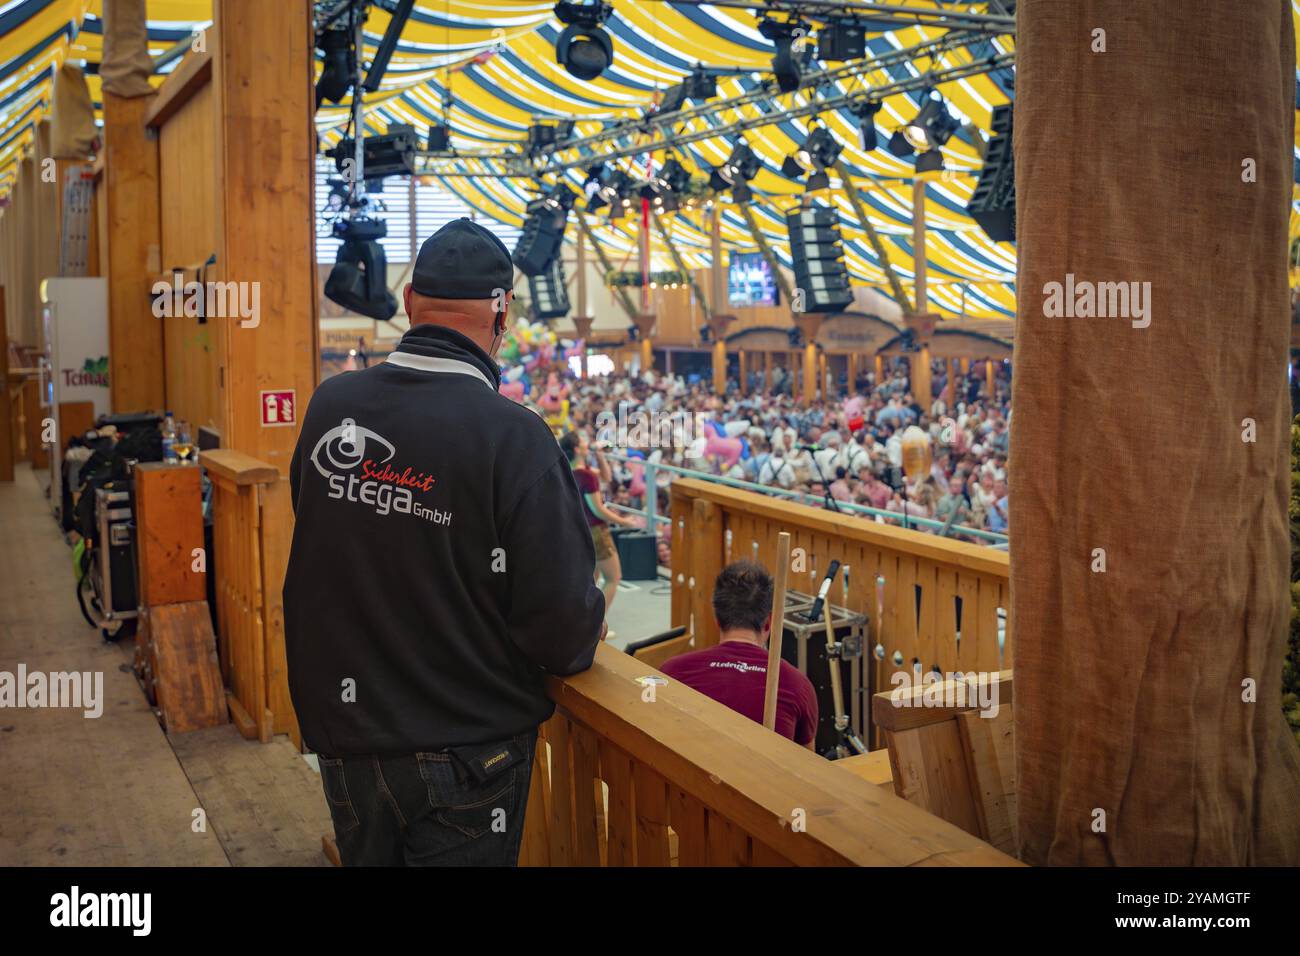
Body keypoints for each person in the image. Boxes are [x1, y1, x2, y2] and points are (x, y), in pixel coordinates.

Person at [283, 219, 606, 867]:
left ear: (408, 305)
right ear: (503, 312)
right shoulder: (515, 439)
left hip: (347, 741)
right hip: (466, 752)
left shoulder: (330, 407)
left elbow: (334, 541)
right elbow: (564, 632)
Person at [660, 561, 819, 748]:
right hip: (763, 777)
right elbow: (808, 765)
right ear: (769, 623)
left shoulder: (672, 671)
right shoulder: (796, 685)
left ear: (717, 619)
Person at [560, 431, 636, 620]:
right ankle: (598, 624)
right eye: (583, 441)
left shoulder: (568, 471)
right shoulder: (586, 476)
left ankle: (584, 621)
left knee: (591, 579)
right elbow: (598, 510)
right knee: (613, 577)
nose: (587, 443)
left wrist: (600, 455)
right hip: (596, 532)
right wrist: (624, 521)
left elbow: (607, 477)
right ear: (577, 449)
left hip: (577, 530)